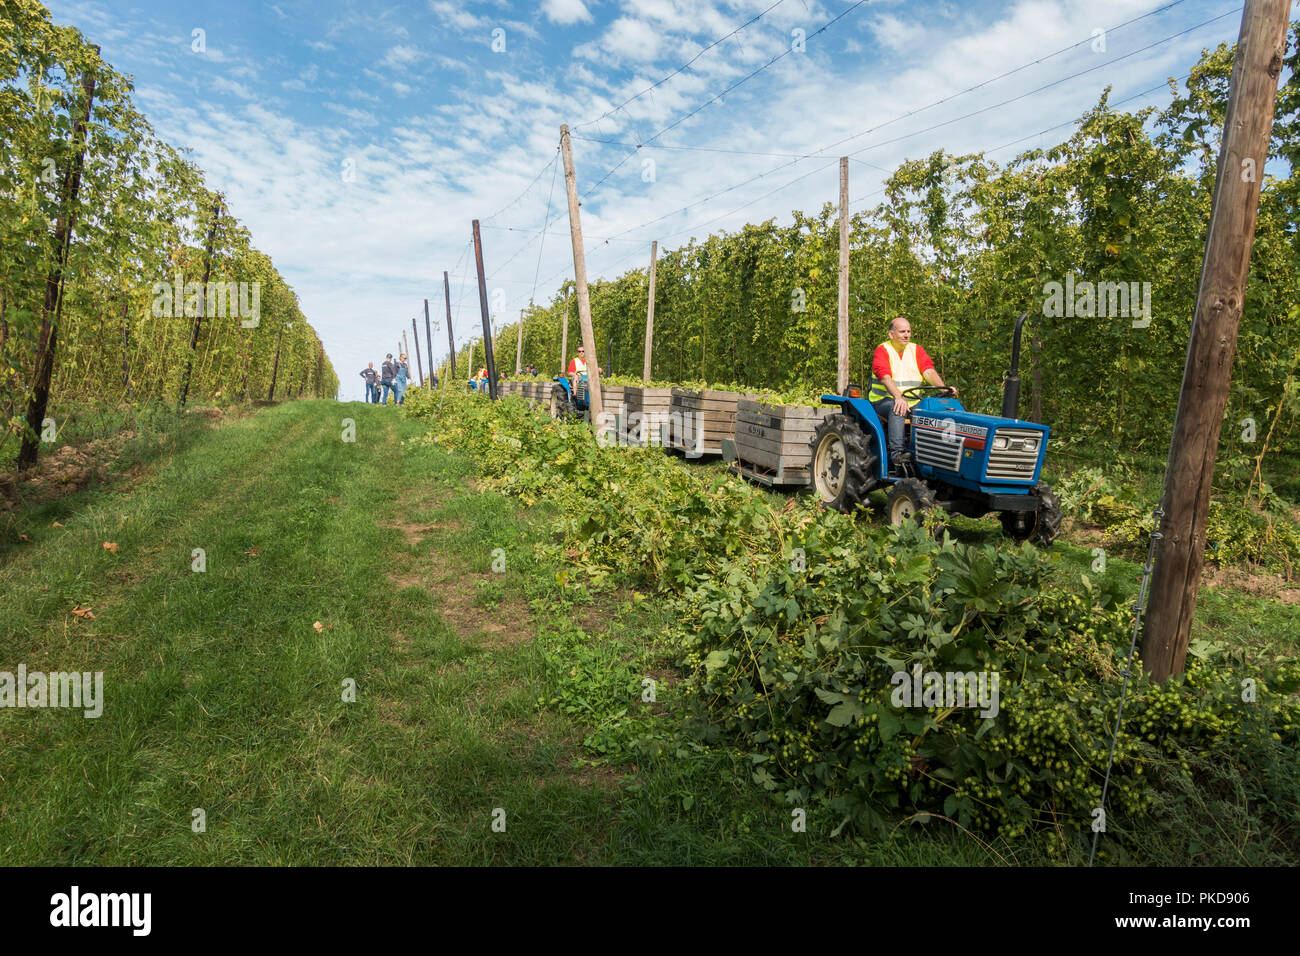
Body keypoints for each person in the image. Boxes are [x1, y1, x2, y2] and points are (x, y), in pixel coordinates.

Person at [868, 316, 957, 474]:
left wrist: (943, 388)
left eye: (908, 331)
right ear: (891, 334)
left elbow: (928, 371)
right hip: (883, 401)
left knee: (934, 412)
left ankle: (933, 455)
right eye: (902, 331)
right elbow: (885, 376)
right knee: (898, 409)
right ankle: (898, 456)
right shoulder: (883, 350)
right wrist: (898, 397)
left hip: (912, 401)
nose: (906, 335)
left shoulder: (916, 350)